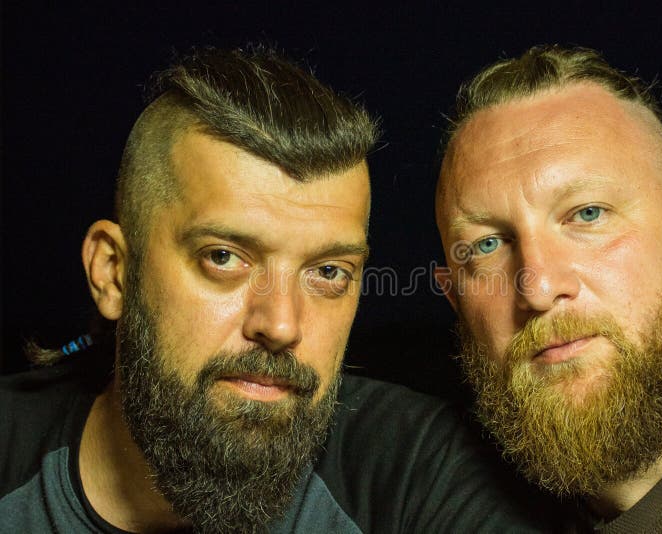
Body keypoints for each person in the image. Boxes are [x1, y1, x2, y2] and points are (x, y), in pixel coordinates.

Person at [0, 46, 550, 533]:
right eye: (224, 258)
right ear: (113, 272)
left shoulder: (414, 474)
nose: (281, 324)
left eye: (328, 272)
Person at [434, 45, 662, 532]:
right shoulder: (450, 494)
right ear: (455, 299)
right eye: (487, 245)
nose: (539, 288)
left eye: (588, 213)